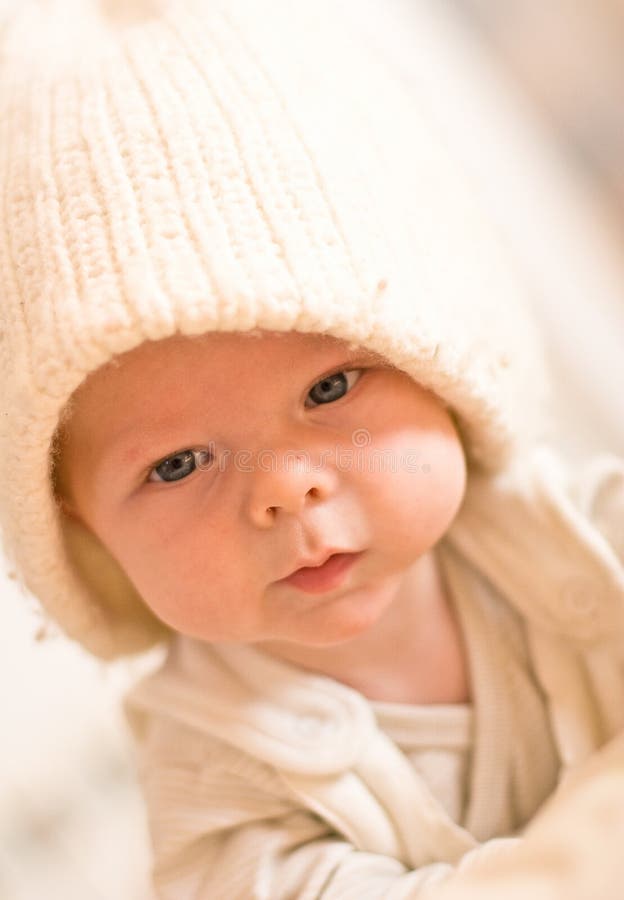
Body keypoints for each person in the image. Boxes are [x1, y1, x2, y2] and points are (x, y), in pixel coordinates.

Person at [1, 1, 624, 897]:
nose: (285, 488)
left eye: (330, 389)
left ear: (439, 361)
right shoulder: (219, 791)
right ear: (82, 525)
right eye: (177, 464)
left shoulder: (569, 522)